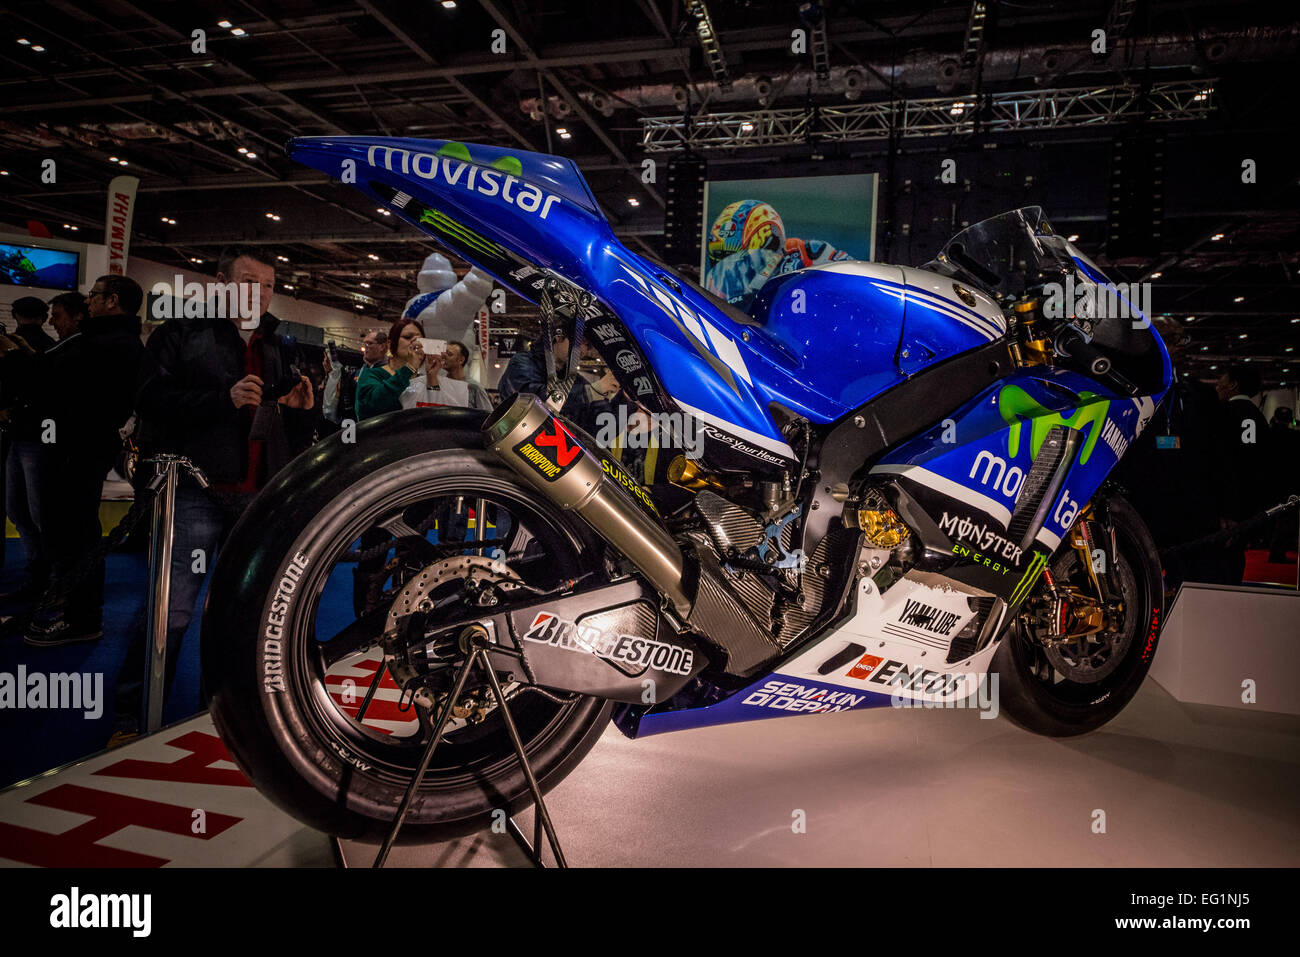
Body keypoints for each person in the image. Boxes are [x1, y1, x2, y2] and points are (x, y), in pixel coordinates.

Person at [107, 246, 314, 744]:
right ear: (220, 282)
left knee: (243, 615)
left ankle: (219, 713)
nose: (259, 293)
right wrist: (220, 401)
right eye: (248, 281)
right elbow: (148, 401)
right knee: (172, 609)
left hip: (260, 494)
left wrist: (302, 408)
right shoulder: (180, 332)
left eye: (267, 284)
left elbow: (287, 419)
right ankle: (132, 714)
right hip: (196, 488)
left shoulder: (278, 341)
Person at [24, 276, 145, 645]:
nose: (88, 301)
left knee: (77, 532)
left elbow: (80, 395)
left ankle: (82, 617)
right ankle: (71, 607)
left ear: (112, 300)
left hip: (80, 450)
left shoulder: (113, 344)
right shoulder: (102, 340)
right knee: (67, 529)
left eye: (93, 295)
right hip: (74, 448)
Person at [0, 297, 59, 605]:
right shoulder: (51, 348)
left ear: (14, 314)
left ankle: (43, 574)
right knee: (32, 511)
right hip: (34, 437)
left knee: (27, 511)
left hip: (26, 436)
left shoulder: (28, 350)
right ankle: (42, 573)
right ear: (46, 315)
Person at [496, 328, 620, 434]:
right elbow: (533, 401)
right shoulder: (522, 363)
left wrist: (625, 402)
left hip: (553, 453)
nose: (583, 350)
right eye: (579, 342)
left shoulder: (575, 380)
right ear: (558, 337)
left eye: (588, 346)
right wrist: (592, 391)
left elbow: (601, 431)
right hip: (515, 443)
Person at [401, 253, 493, 383]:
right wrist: (487, 258)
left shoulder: (412, 306)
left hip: (418, 381)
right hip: (446, 383)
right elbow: (474, 286)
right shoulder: (447, 302)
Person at [356, 317, 426, 420]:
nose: (415, 343)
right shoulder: (372, 374)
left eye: (419, 340)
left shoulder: (423, 379)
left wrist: (433, 378)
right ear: (390, 343)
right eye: (407, 337)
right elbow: (371, 407)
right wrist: (408, 369)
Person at [400, 340, 493, 411]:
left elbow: (487, 415)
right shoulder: (439, 382)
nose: (444, 356)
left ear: (461, 360)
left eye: (449, 354)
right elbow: (433, 400)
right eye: (443, 353)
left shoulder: (473, 388)